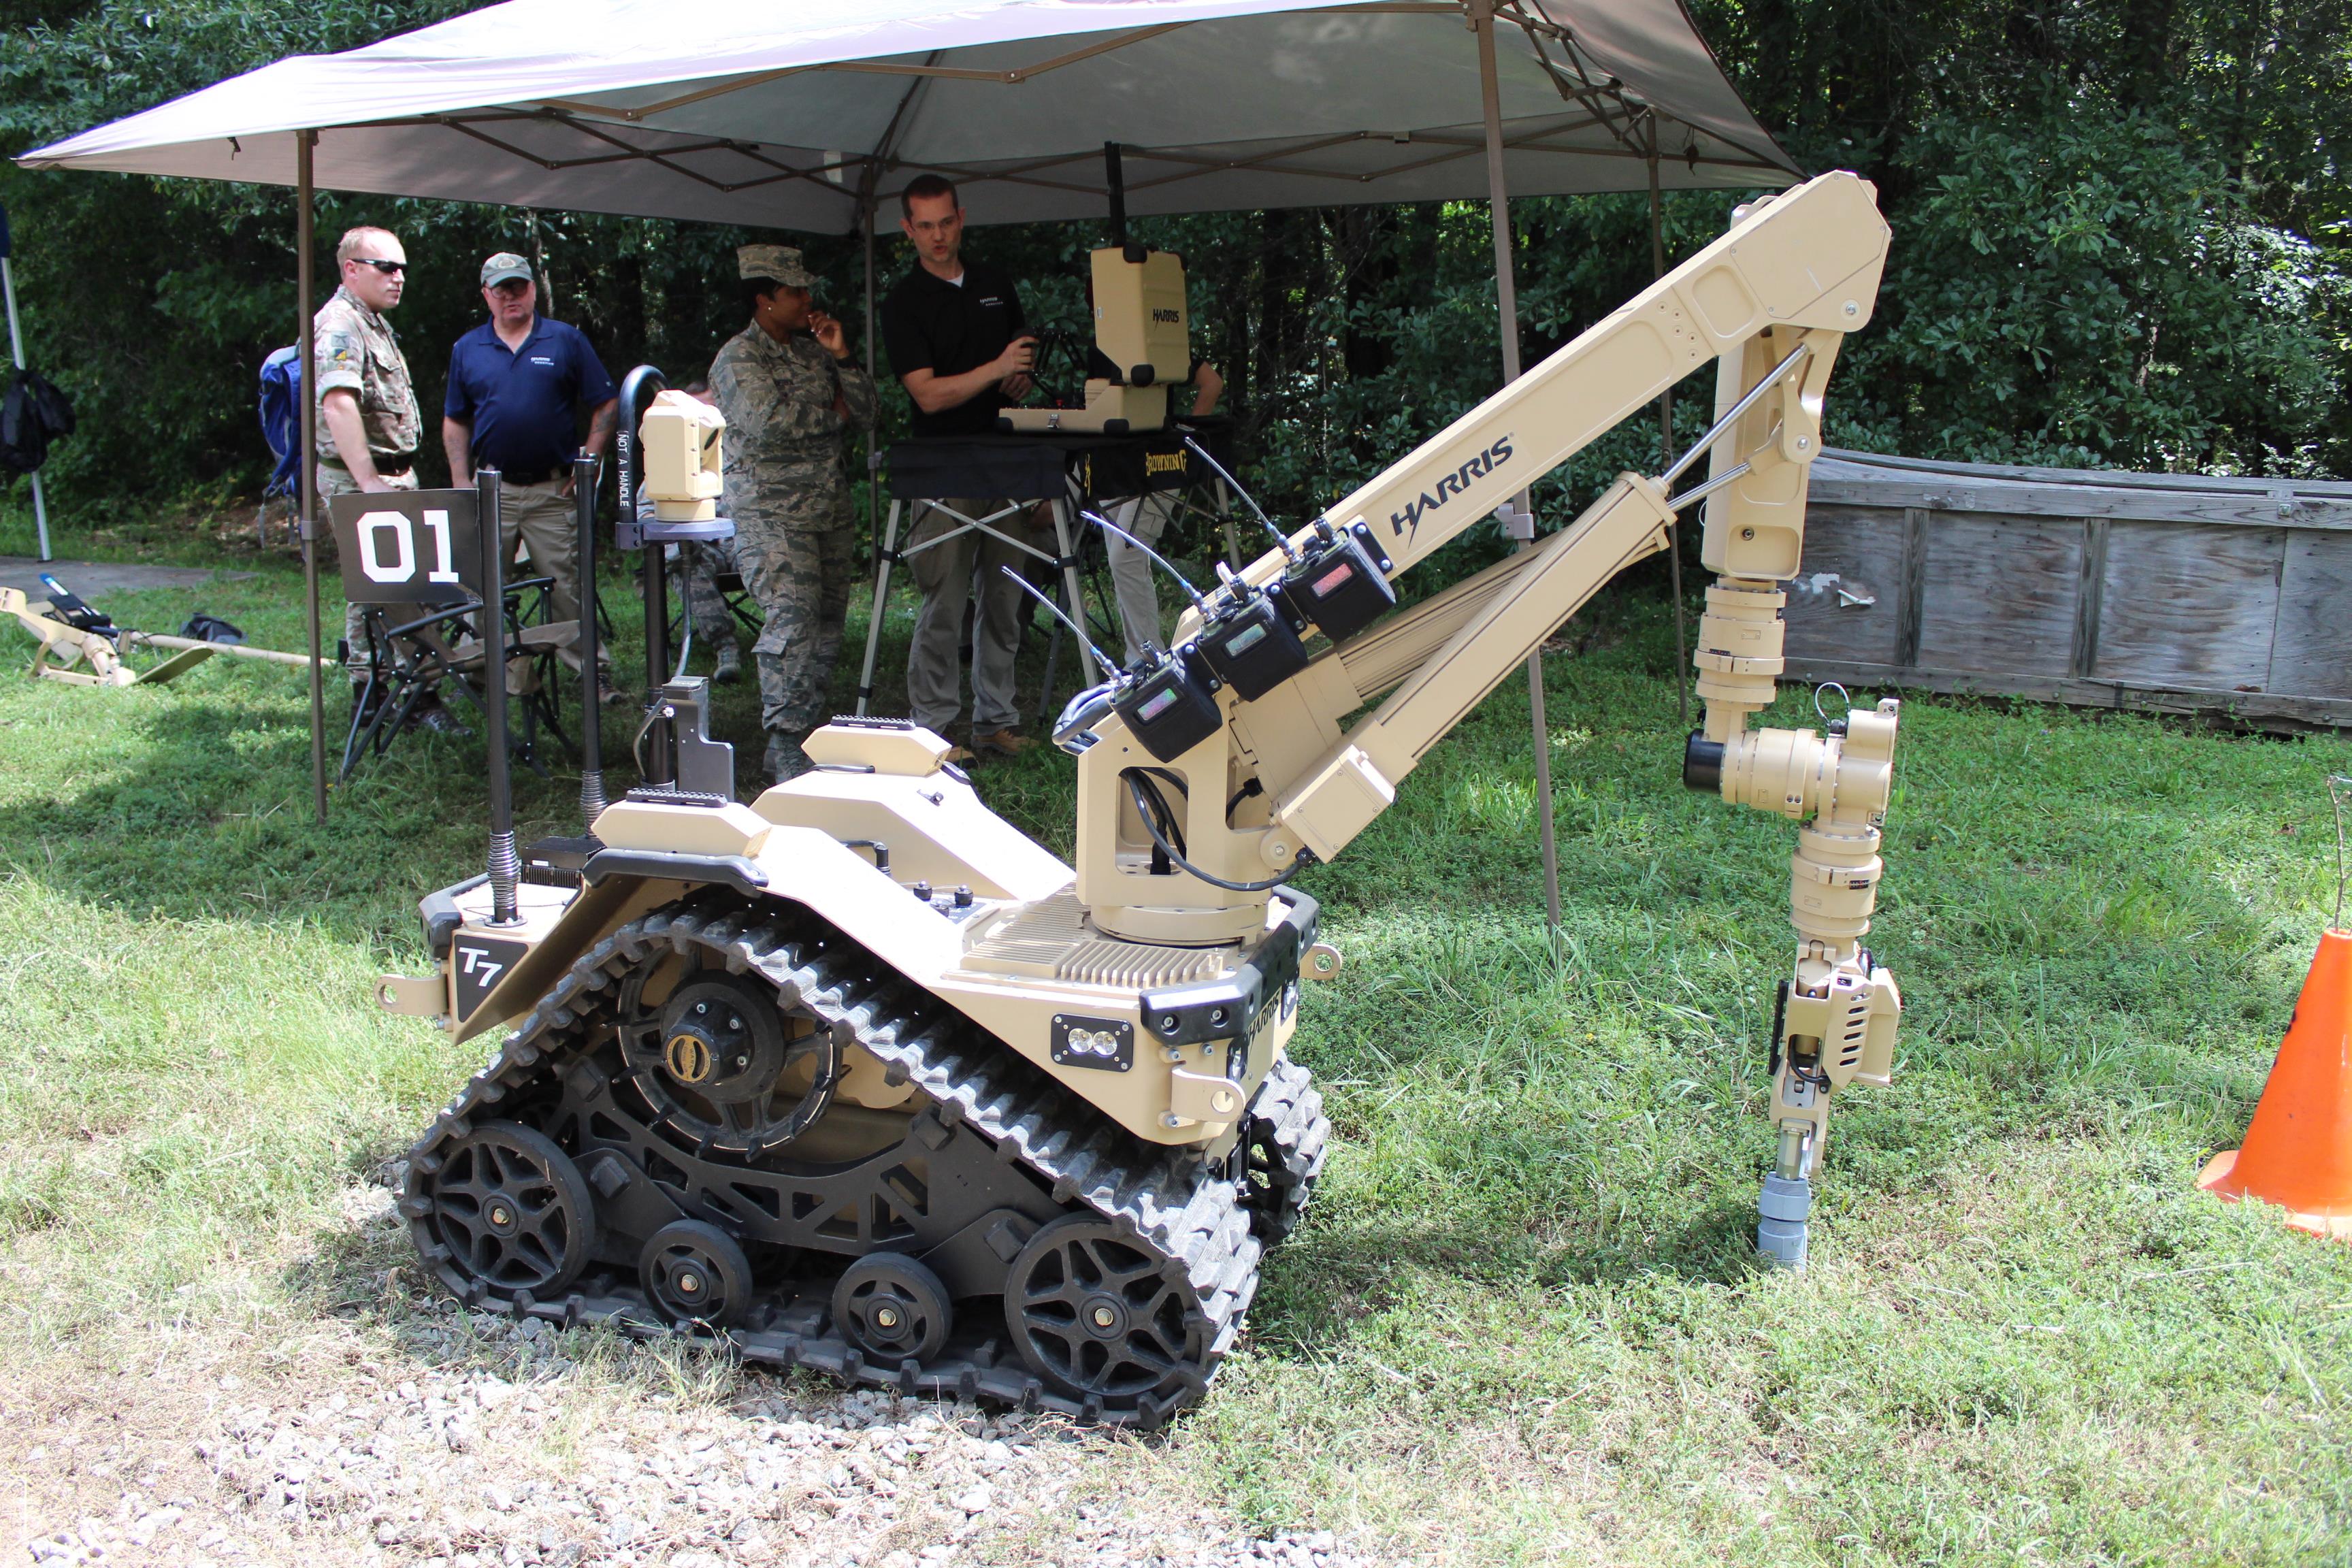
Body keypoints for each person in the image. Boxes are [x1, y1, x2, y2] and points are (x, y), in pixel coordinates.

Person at [878, 172, 1043, 762]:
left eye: (946, 222)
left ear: (962, 217)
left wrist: (1017, 376)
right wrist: (997, 368)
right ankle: (934, 729)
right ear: (907, 230)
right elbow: (927, 396)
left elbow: (1015, 373)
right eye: (925, 226)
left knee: (1006, 595)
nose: (938, 236)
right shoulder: (903, 303)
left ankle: (994, 721)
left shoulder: (996, 284)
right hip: (941, 467)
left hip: (1004, 461)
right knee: (944, 600)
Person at [708, 244, 878, 783]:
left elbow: (869, 413)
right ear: (764, 301)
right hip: (772, 512)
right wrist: (833, 415)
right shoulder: (737, 358)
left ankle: (805, 732)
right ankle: (784, 745)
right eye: (795, 292)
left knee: (827, 625)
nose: (808, 300)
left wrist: (844, 356)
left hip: (827, 505)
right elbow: (769, 421)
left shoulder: (814, 351)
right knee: (792, 621)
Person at [443, 252, 620, 696]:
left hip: (553, 487)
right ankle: (490, 673)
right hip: (492, 489)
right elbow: (455, 419)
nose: (511, 297)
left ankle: (592, 674)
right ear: (486, 295)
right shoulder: (468, 348)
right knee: (481, 586)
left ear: (533, 290)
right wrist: (460, 481)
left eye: (518, 287)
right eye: (501, 289)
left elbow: (606, 401)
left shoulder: (565, 340)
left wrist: (590, 462)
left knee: (567, 584)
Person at [314, 225, 459, 733]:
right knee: (374, 591)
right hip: (363, 481)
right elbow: (337, 403)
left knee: (407, 589)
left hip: (393, 477)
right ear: (352, 270)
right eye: (387, 267)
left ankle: (412, 692)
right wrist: (369, 482)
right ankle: (375, 699)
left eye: (402, 268)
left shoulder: (371, 321)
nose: (399, 278)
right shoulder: (340, 324)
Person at [1097, 359, 1225, 664]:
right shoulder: (1101, 341)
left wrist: (1184, 441)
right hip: (1114, 462)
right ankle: (1142, 658)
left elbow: (1212, 382)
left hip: (1160, 464)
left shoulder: (1156, 338)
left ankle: (1148, 662)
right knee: (1126, 564)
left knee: (1124, 559)